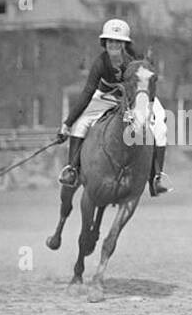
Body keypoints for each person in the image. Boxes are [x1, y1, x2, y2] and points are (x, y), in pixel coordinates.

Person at [57, 19, 172, 196]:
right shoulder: (100, 63)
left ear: (125, 44)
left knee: (161, 127)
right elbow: (88, 91)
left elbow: (145, 81)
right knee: (80, 125)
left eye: (118, 41)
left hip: (134, 98)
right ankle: (72, 169)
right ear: (105, 43)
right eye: (110, 41)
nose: (114, 45)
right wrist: (67, 123)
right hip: (105, 97)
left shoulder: (133, 61)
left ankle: (157, 178)